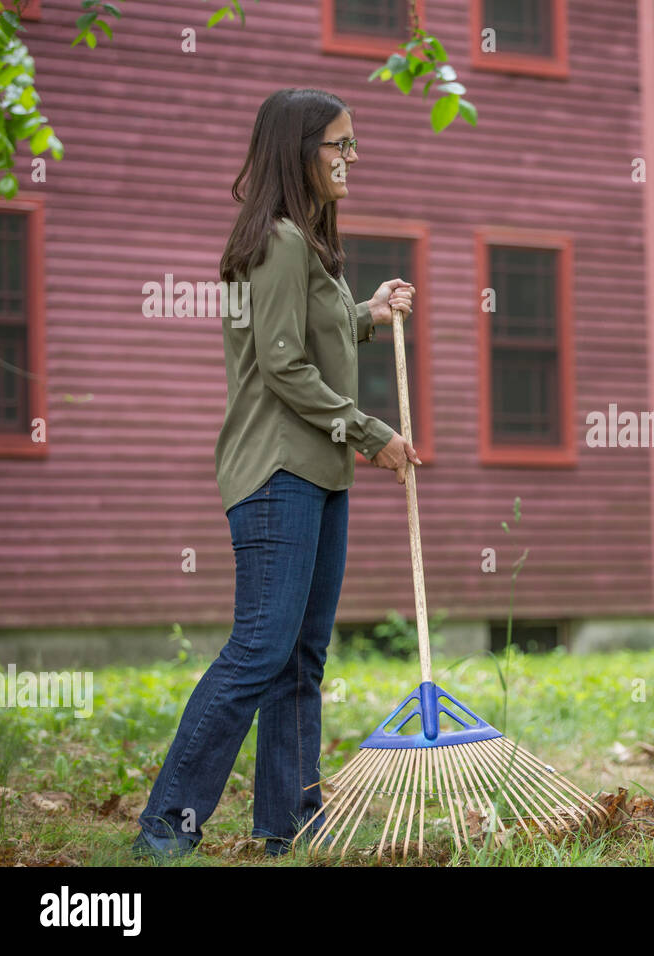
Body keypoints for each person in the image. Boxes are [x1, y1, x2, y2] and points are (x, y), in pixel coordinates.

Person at [132, 88, 421, 858]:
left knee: (301, 658)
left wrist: (368, 311)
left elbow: (310, 335)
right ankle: (166, 827)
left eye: (352, 144)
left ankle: (288, 822)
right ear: (300, 151)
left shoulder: (302, 245)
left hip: (318, 475)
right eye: (339, 144)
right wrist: (370, 434)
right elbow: (285, 366)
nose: (350, 158)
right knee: (261, 650)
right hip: (277, 475)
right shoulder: (280, 240)